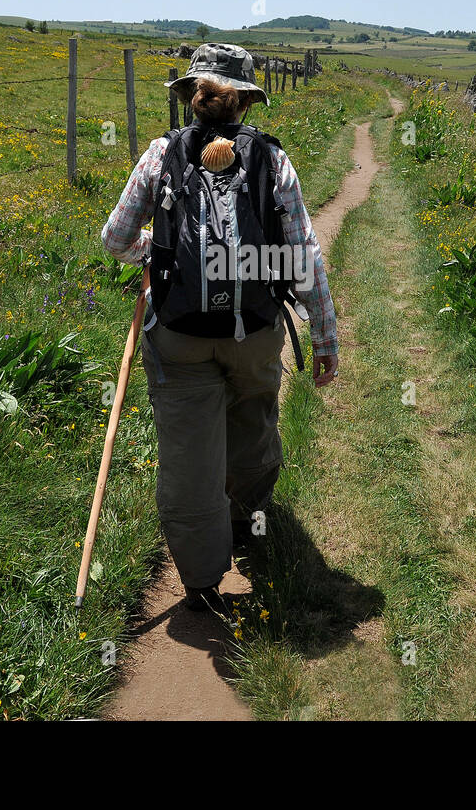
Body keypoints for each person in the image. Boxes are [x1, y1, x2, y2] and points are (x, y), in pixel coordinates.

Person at [101, 43, 338, 612]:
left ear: (191, 98)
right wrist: (325, 337)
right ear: (245, 104)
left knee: (187, 453)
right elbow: (304, 254)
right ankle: (244, 518)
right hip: (255, 331)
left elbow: (114, 239)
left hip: (178, 334)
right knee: (252, 425)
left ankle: (202, 578)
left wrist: (154, 259)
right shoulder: (271, 160)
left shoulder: (161, 155)